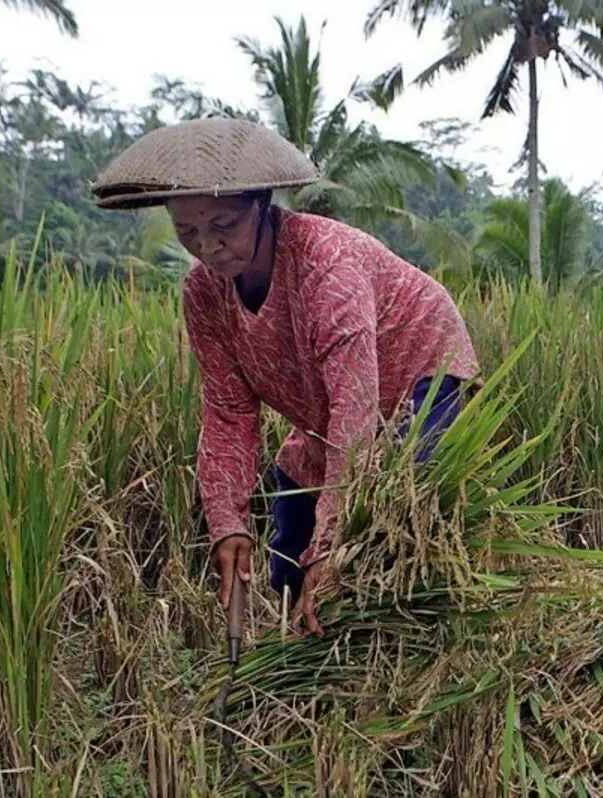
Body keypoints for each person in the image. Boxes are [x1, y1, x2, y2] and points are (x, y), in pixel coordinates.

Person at [89, 117, 480, 638]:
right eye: (188, 232)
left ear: (262, 206)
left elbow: (354, 408)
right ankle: (306, 646)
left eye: (223, 226)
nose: (207, 247)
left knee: (388, 518)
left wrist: (333, 542)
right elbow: (228, 411)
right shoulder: (204, 293)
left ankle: (398, 648)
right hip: (325, 405)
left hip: (420, 365)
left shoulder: (326, 267)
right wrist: (226, 523)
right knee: (291, 548)